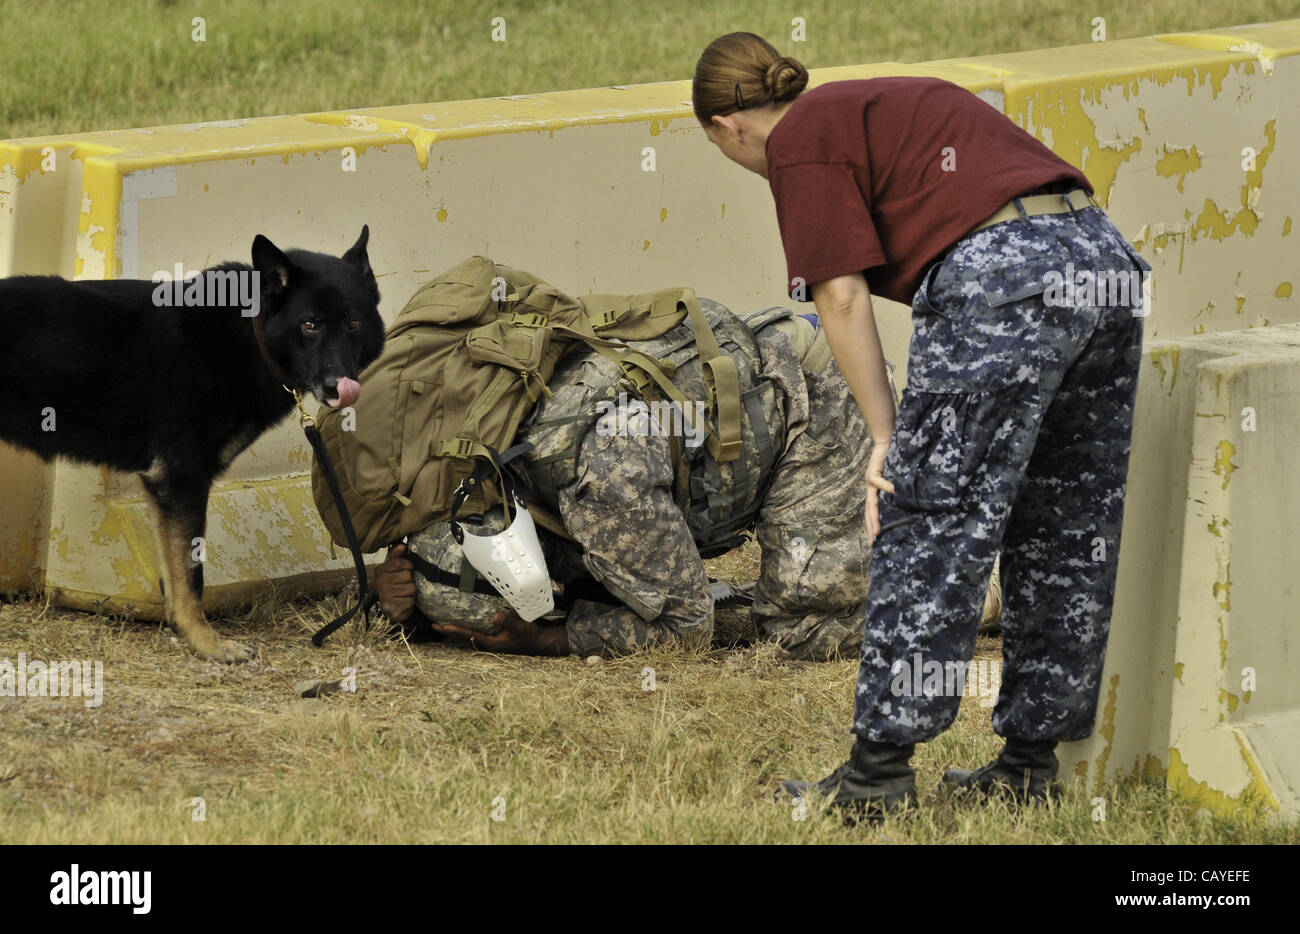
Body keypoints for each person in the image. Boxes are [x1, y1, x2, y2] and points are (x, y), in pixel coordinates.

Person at [692, 33, 1148, 815]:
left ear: (726, 126)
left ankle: (876, 778)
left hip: (1004, 279)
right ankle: (1031, 765)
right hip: (1102, 262)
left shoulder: (797, 140)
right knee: (1067, 524)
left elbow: (839, 299)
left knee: (929, 516)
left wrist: (886, 436)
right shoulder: (879, 100)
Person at [375, 299, 901, 660]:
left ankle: (958, 601)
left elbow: (688, 629)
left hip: (820, 395)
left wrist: (544, 641)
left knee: (799, 628)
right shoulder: (488, 481)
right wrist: (400, 607)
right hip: (750, 382)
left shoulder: (596, 487)